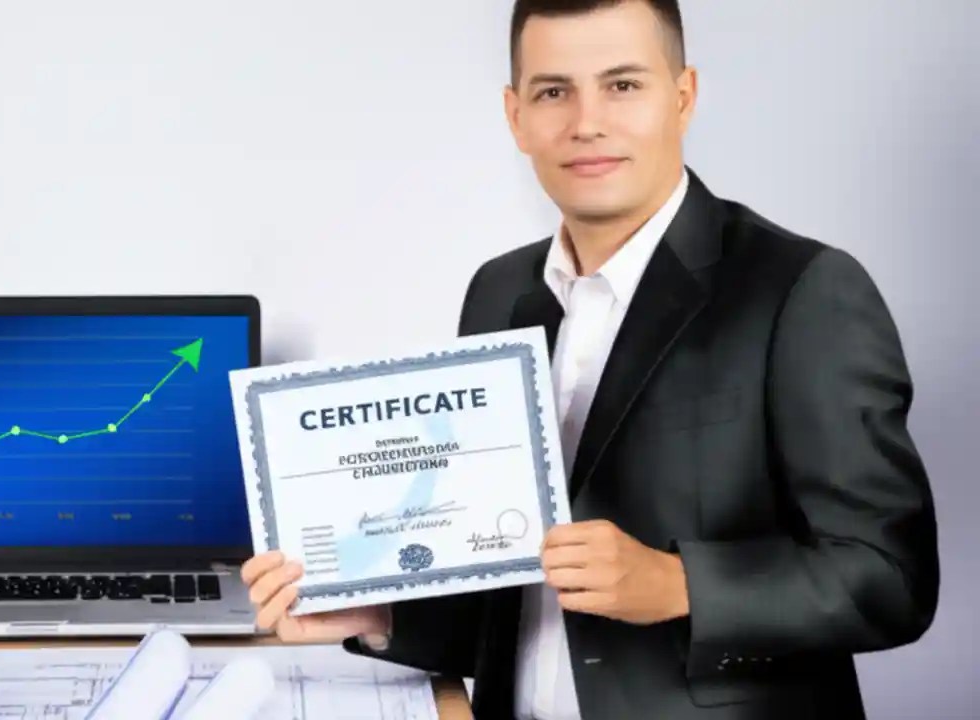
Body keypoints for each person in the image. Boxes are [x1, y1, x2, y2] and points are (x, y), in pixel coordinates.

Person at [240, 0, 940, 717]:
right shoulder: (499, 293)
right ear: (516, 116)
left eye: (622, 85)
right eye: (553, 92)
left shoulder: (801, 289)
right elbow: (516, 600)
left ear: (683, 96)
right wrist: (380, 613)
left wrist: (677, 584)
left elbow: (892, 579)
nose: (586, 122)